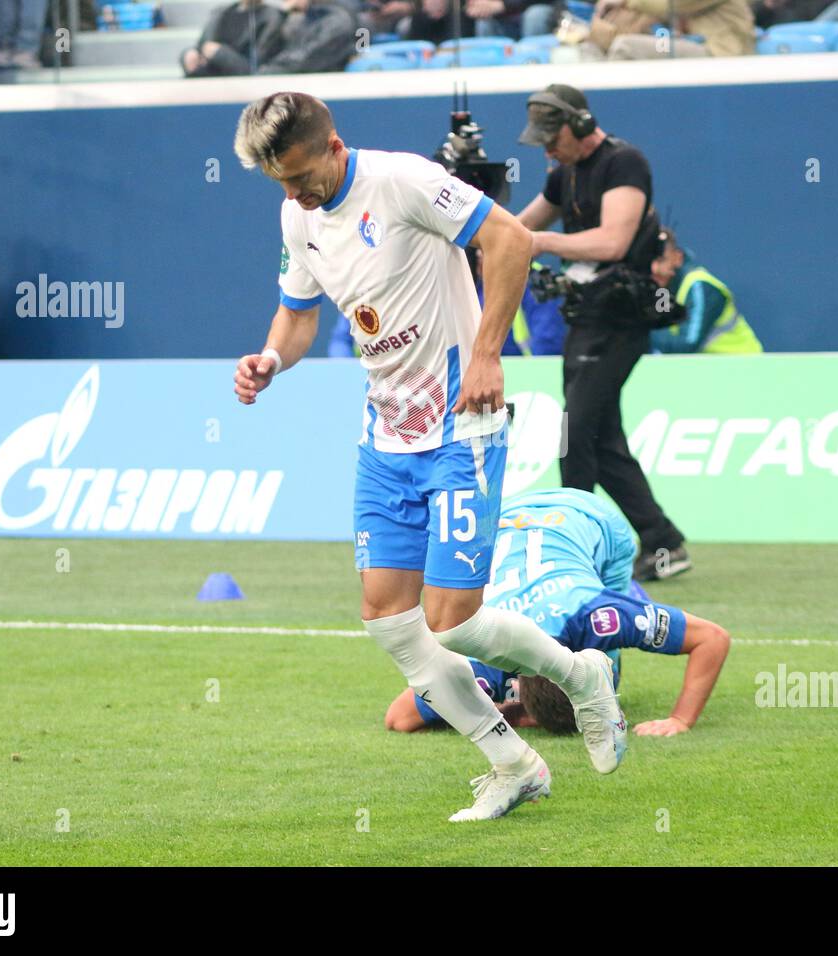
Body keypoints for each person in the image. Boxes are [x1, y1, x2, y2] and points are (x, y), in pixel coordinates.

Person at [230, 92, 627, 822]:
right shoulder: (298, 214)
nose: (292, 193)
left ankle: (583, 675)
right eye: (279, 182)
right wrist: (269, 359)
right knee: (388, 618)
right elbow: (296, 312)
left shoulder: (403, 180)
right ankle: (513, 763)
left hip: (459, 424)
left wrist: (486, 356)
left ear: (332, 146)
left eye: (298, 175)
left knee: (453, 619)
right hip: (385, 439)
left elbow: (508, 238)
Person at [515, 84, 689, 582]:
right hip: (587, 318)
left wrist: (539, 242)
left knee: (576, 436)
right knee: (601, 437)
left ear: (582, 125)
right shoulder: (564, 172)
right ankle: (662, 542)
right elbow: (517, 226)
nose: (546, 149)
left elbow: (613, 241)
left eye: (552, 138)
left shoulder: (623, 163)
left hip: (619, 319)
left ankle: (574, 548)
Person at [384, 488, 731, 735]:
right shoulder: (487, 666)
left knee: (621, 619)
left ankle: (624, 631)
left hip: (593, 520)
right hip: (514, 514)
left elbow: (713, 640)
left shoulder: (598, 616)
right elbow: (398, 717)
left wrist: (680, 721)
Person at [649, 226, 763, 355]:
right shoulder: (662, 291)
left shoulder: (700, 287)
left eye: (661, 260)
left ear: (677, 258)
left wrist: (641, 327)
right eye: (649, 261)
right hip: (705, 369)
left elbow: (686, 345)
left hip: (743, 365)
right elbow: (661, 333)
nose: (654, 268)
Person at [592, 0, 756, 57]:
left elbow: (669, 6)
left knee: (625, 47)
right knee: (657, 44)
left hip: (721, 53)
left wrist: (625, 1)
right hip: (693, 44)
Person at [180, 0, 283, 78]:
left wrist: (219, 53)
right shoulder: (220, 13)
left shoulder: (272, 17)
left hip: (240, 82)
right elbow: (202, 45)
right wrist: (190, 55)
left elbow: (255, 67)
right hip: (207, 77)